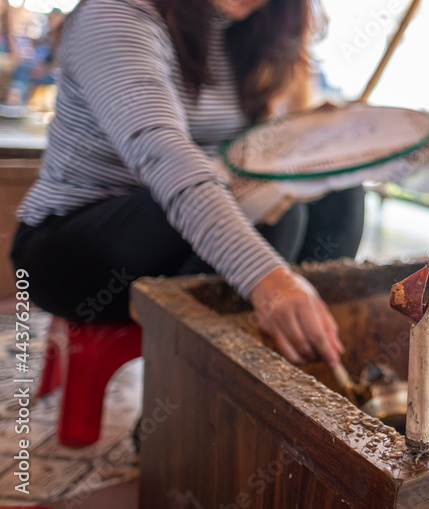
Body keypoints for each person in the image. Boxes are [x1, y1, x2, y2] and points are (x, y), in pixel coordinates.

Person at [9, 0, 357, 372]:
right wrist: (269, 279)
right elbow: (166, 156)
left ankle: (306, 359)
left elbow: (248, 154)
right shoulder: (114, 13)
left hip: (176, 236)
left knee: (339, 193)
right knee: (270, 213)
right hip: (70, 247)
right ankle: (193, 410)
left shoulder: (243, 32)